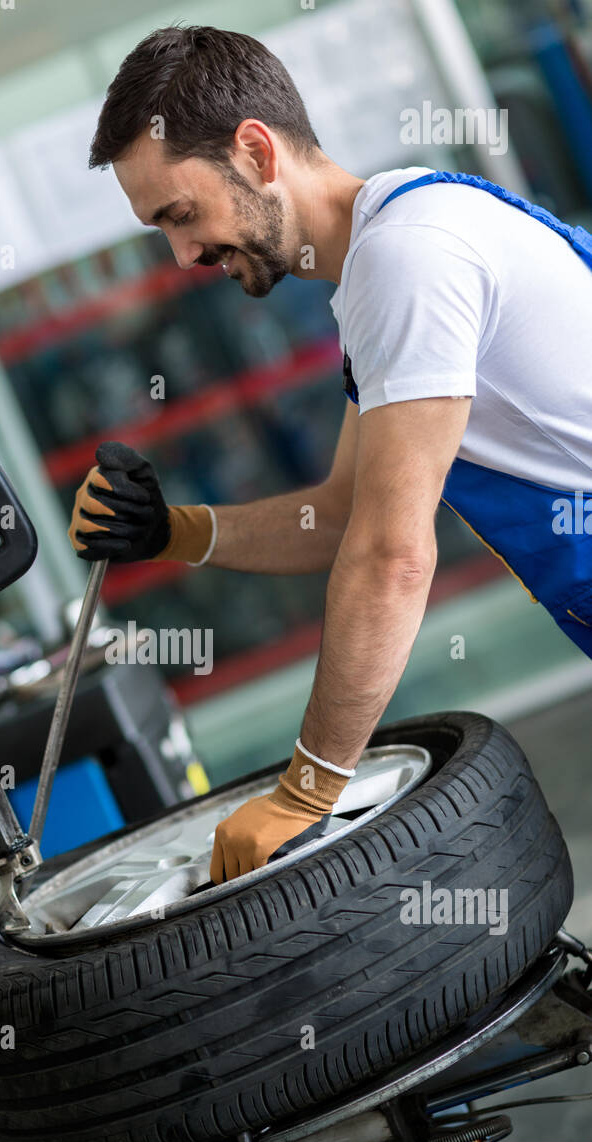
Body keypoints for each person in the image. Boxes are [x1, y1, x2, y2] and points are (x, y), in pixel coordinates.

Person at [67, 24, 592, 883]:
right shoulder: (395, 243)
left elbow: (392, 554)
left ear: (255, 151)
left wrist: (309, 791)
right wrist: (173, 531)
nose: (184, 254)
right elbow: (344, 512)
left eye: (182, 214)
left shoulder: (407, 259)